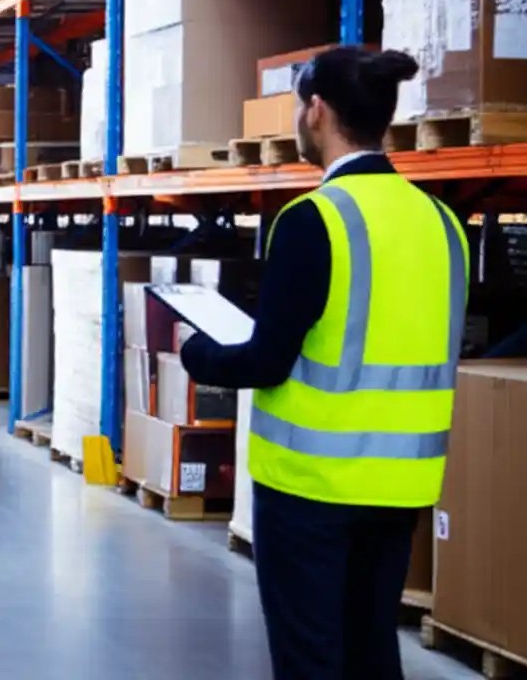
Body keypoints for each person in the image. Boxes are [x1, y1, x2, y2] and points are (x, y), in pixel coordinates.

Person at [178, 46, 469, 679]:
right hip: (401, 485)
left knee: (310, 655)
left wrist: (196, 353)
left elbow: (266, 360)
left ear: (317, 111)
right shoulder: (443, 223)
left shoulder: (314, 221)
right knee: (371, 647)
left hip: (313, 485)